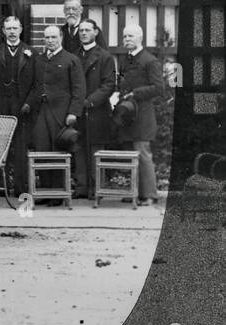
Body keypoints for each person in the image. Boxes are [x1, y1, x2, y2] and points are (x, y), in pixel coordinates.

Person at [0, 14, 39, 195]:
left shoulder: (31, 52)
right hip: (2, 105)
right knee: (1, 146)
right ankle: (1, 187)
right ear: (3, 31)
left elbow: (37, 84)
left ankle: (19, 187)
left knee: (21, 146)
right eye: (8, 28)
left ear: (21, 30)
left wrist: (28, 103)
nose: (12, 32)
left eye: (15, 28)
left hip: (22, 107)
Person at [114, 23, 165, 206]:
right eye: (125, 36)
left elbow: (159, 88)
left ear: (140, 38)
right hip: (128, 114)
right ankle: (134, 192)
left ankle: (150, 195)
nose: (127, 39)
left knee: (142, 154)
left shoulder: (150, 60)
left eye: (130, 36)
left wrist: (136, 93)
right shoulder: (125, 60)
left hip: (142, 115)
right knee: (130, 155)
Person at [30, 26, 85, 176]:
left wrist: (73, 112)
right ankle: (44, 192)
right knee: (41, 148)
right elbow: (35, 86)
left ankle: (58, 193)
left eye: (54, 37)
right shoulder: (39, 60)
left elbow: (79, 89)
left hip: (61, 113)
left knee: (59, 150)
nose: (50, 41)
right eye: (47, 38)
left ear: (61, 38)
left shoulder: (71, 60)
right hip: (41, 111)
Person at [76, 17, 117, 196]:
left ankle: (96, 188)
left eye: (87, 30)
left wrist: (90, 101)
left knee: (95, 150)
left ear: (95, 32)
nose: (84, 33)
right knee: (78, 148)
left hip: (97, 111)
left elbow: (109, 85)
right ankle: (81, 187)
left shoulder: (105, 56)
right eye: (81, 30)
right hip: (78, 111)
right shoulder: (75, 55)